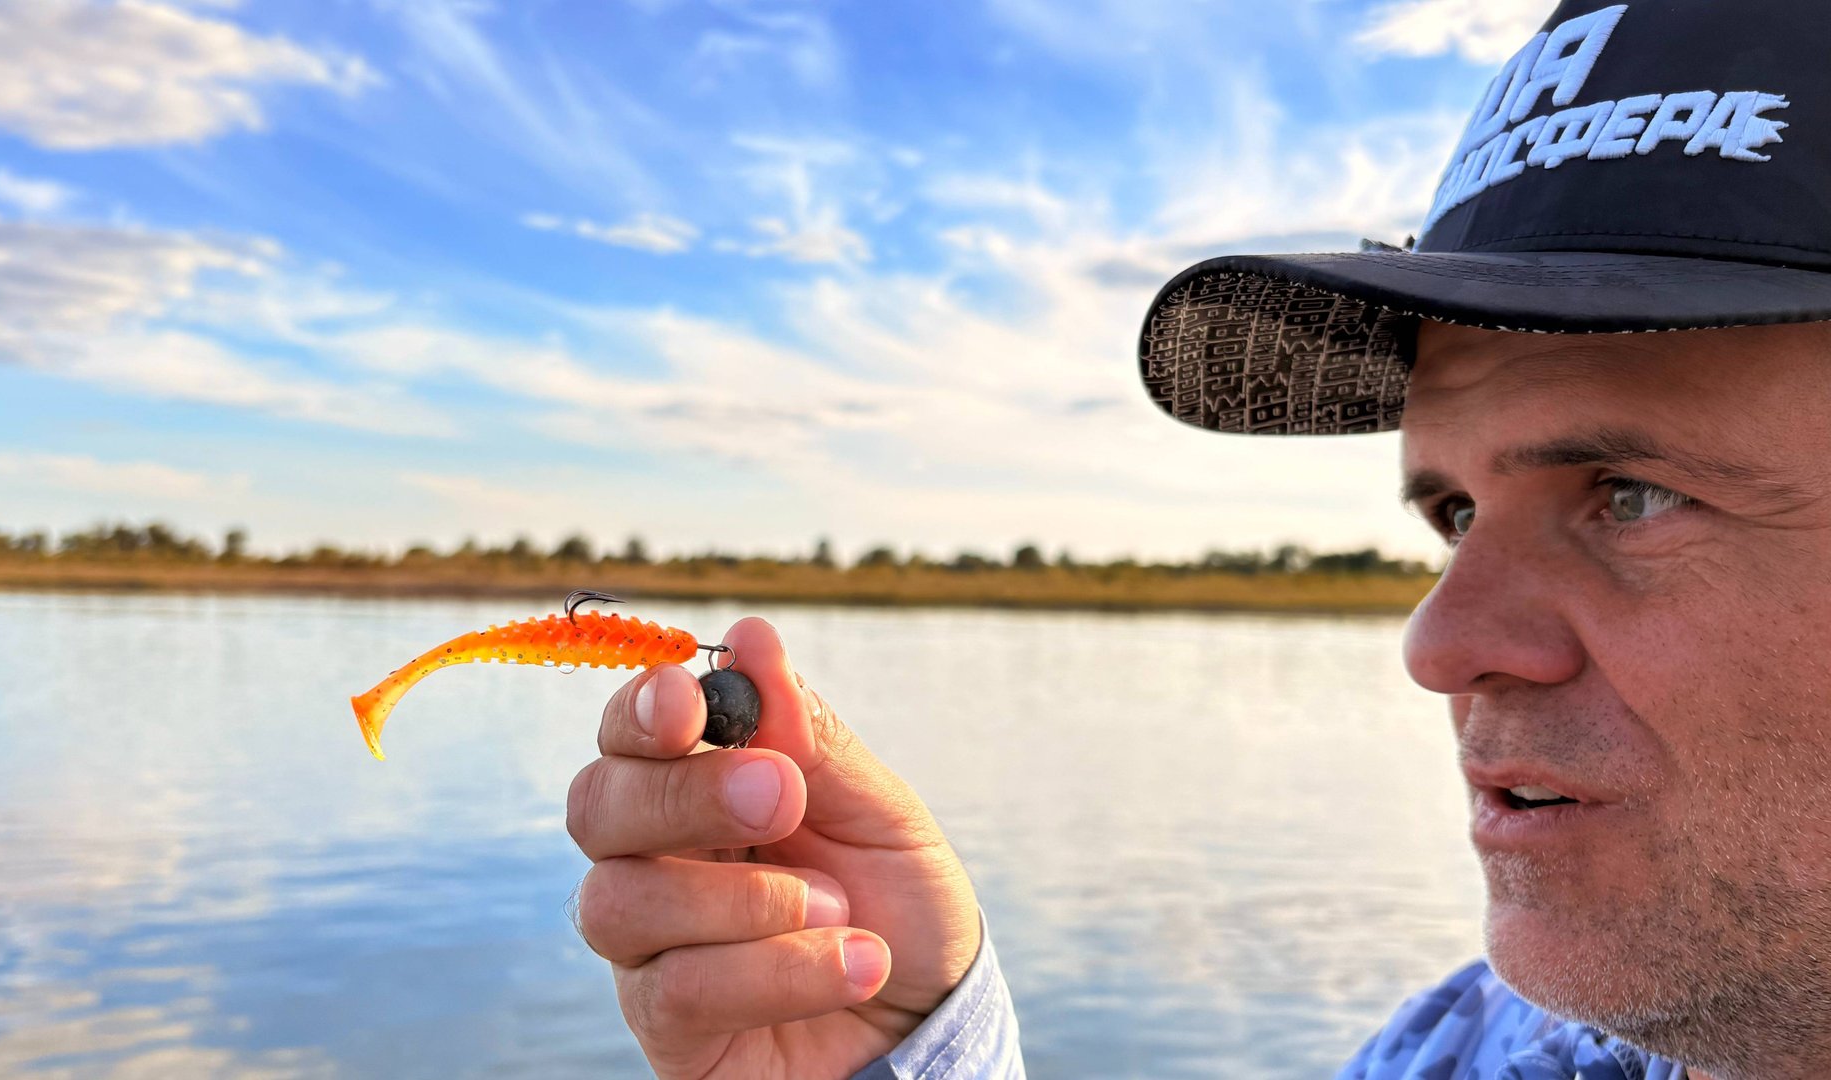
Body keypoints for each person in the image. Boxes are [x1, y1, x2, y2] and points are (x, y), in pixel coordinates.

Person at [565, 0, 1831, 1076]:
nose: (1440, 645)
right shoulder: (1471, 1049)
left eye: (1629, 494)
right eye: (1454, 514)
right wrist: (903, 1047)